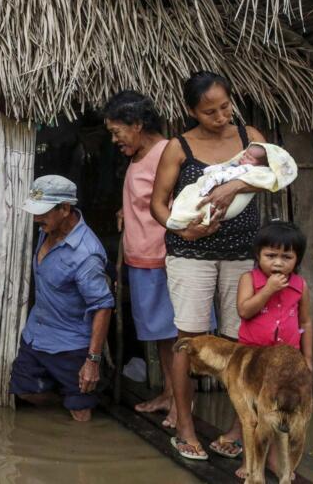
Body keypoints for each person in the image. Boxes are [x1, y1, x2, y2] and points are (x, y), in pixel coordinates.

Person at [150, 71, 266, 461]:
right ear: (191, 111)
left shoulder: (251, 138)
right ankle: (185, 427)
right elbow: (157, 204)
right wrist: (183, 231)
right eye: (209, 112)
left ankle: (237, 428)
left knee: (238, 341)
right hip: (190, 254)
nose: (221, 117)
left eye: (225, 107)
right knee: (189, 339)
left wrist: (236, 185)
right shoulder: (178, 147)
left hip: (241, 253)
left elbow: (275, 176)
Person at [9, 175, 115, 422]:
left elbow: (103, 306)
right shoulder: (47, 230)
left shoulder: (86, 254)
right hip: (37, 334)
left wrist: (92, 361)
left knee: (80, 413)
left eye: (43, 212)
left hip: (70, 344)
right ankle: (64, 399)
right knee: (23, 391)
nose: (36, 218)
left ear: (65, 209)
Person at [103, 90, 179, 425]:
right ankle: (169, 394)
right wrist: (127, 209)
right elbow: (148, 197)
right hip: (143, 258)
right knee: (162, 335)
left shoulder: (166, 152)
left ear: (136, 124)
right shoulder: (140, 155)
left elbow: (178, 201)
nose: (114, 139)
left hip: (161, 257)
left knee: (176, 337)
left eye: (117, 131)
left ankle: (181, 405)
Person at [221, 221, 313, 479]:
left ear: (297, 259)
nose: (278, 263)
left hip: (284, 363)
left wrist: (307, 357)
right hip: (253, 359)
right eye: (270, 255)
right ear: (258, 255)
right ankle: (249, 462)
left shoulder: (300, 286)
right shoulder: (249, 279)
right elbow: (244, 310)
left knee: (276, 410)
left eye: (287, 257)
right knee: (251, 412)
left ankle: (275, 460)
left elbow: (306, 322)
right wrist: (268, 290)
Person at [166, 142, 296, 230]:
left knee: (201, 206)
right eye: (245, 154)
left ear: (261, 165)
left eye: (249, 158)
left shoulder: (249, 170)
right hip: (190, 248)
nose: (243, 158)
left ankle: (181, 220)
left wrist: (231, 186)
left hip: (240, 238)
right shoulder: (237, 165)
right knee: (192, 198)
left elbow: (272, 179)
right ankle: (181, 221)